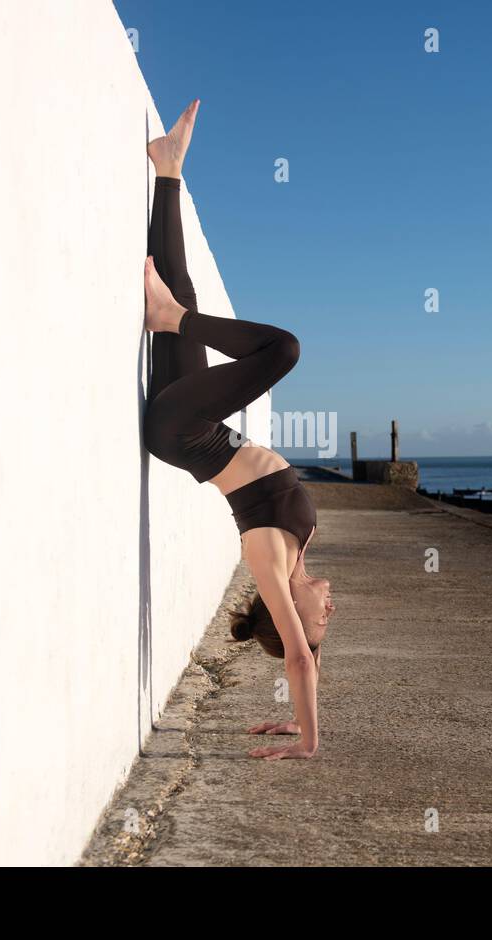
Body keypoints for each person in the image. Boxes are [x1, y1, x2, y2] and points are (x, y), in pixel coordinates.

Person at [142, 99, 334, 760]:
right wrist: (295, 720)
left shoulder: (269, 562)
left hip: (182, 431)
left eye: (314, 628)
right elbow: (308, 666)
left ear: (289, 621)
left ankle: (172, 320)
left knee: (281, 350)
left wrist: (307, 744)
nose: (326, 619)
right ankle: (167, 168)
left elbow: (299, 666)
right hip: (196, 425)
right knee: (182, 293)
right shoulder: (298, 548)